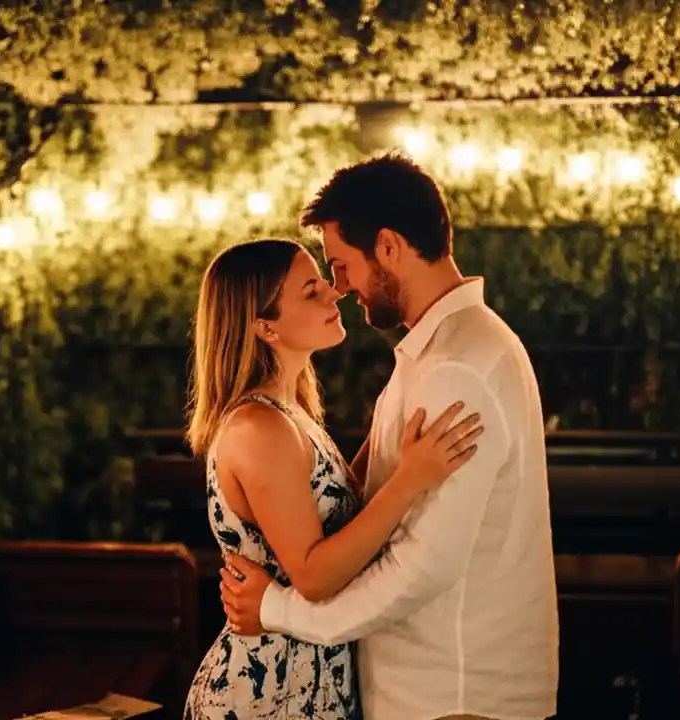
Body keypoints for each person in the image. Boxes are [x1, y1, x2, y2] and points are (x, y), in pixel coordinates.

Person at [220, 153, 560, 720]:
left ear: (388, 247)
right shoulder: (442, 352)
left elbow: (422, 567)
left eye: (341, 264)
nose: (339, 286)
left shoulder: (457, 367)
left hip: (452, 695)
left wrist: (279, 610)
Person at [182, 237, 482, 719]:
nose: (333, 294)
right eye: (310, 292)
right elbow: (314, 575)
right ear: (264, 327)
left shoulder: (290, 414)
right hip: (269, 693)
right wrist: (411, 480)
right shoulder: (260, 428)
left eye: (323, 282)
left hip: (312, 678)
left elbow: (342, 507)